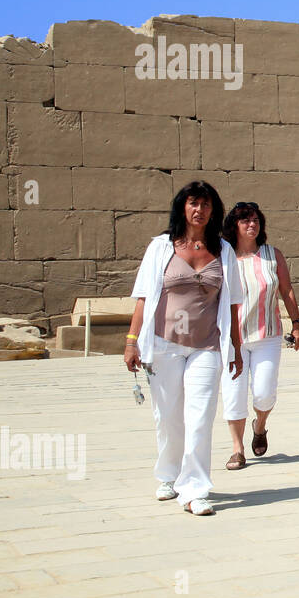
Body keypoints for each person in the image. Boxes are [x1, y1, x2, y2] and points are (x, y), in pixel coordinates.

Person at [124, 182, 243, 516]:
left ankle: (195, 489)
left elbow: (233, 303)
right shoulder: (161, 247)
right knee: (168, 417)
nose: (199, 210)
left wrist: (234, 347)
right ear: (182, 207)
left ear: (213, 210)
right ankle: (169, 475)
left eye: (206, 204)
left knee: (200, 417)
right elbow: (144, 298)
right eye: (194, 203)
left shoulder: (223, 250)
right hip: (164, 345)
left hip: (206, 347)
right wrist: (131, 342)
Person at [220, 202, 299, 469]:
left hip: (267, 334)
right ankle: (237, 448)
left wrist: (297, 324)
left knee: (264, 393)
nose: (251, 225)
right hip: (233, 337)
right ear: (234, 225)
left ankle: (260, 425)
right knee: (233, 393)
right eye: (245, 221)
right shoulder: (224, 256)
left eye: (255, 220)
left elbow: (287, 290)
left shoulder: (272, 254)